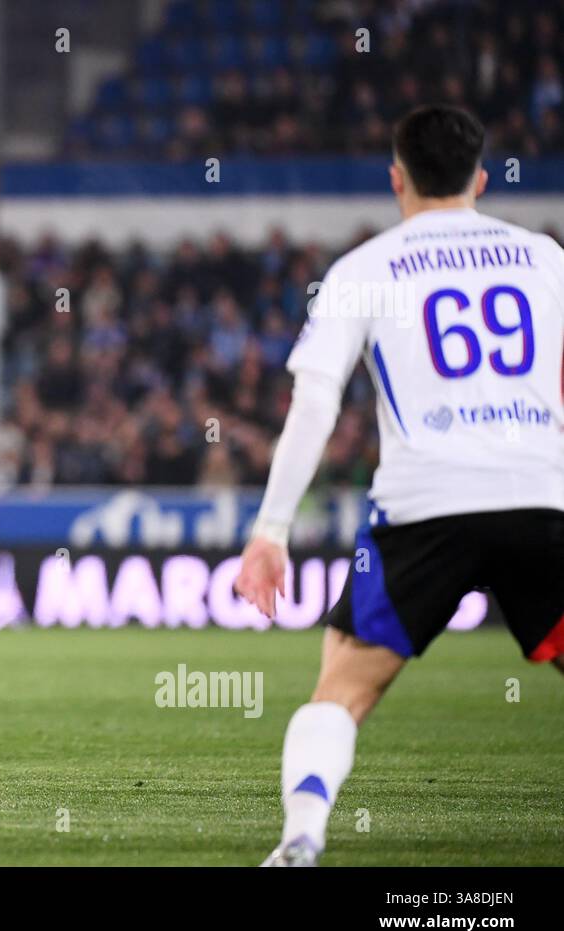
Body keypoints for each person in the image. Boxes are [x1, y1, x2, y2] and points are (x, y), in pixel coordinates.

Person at [235, 105, 564, 866]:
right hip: (541, 498)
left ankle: (302, 836)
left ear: (397, 180)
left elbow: (315, 406)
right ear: (481, 178)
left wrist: (270, 532)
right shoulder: (546, 261)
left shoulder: (362, 271)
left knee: (341, 690)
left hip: (425, 508)